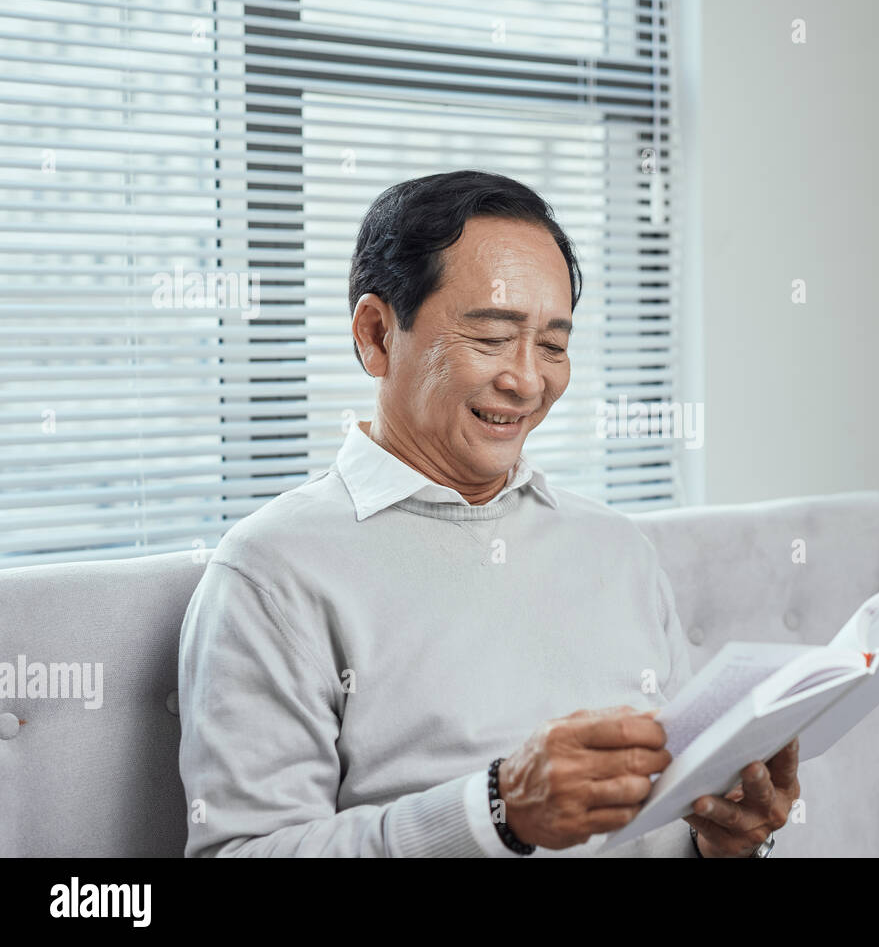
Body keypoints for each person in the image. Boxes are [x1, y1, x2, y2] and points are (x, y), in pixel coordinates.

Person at [177, 170, 799, 857]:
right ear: (377, 333)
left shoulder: (617, 548)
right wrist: (495, 811)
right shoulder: (272, 572)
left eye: (555, 345)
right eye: (493, 337)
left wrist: (725, 841)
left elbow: (678, 808)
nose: (528, 380)